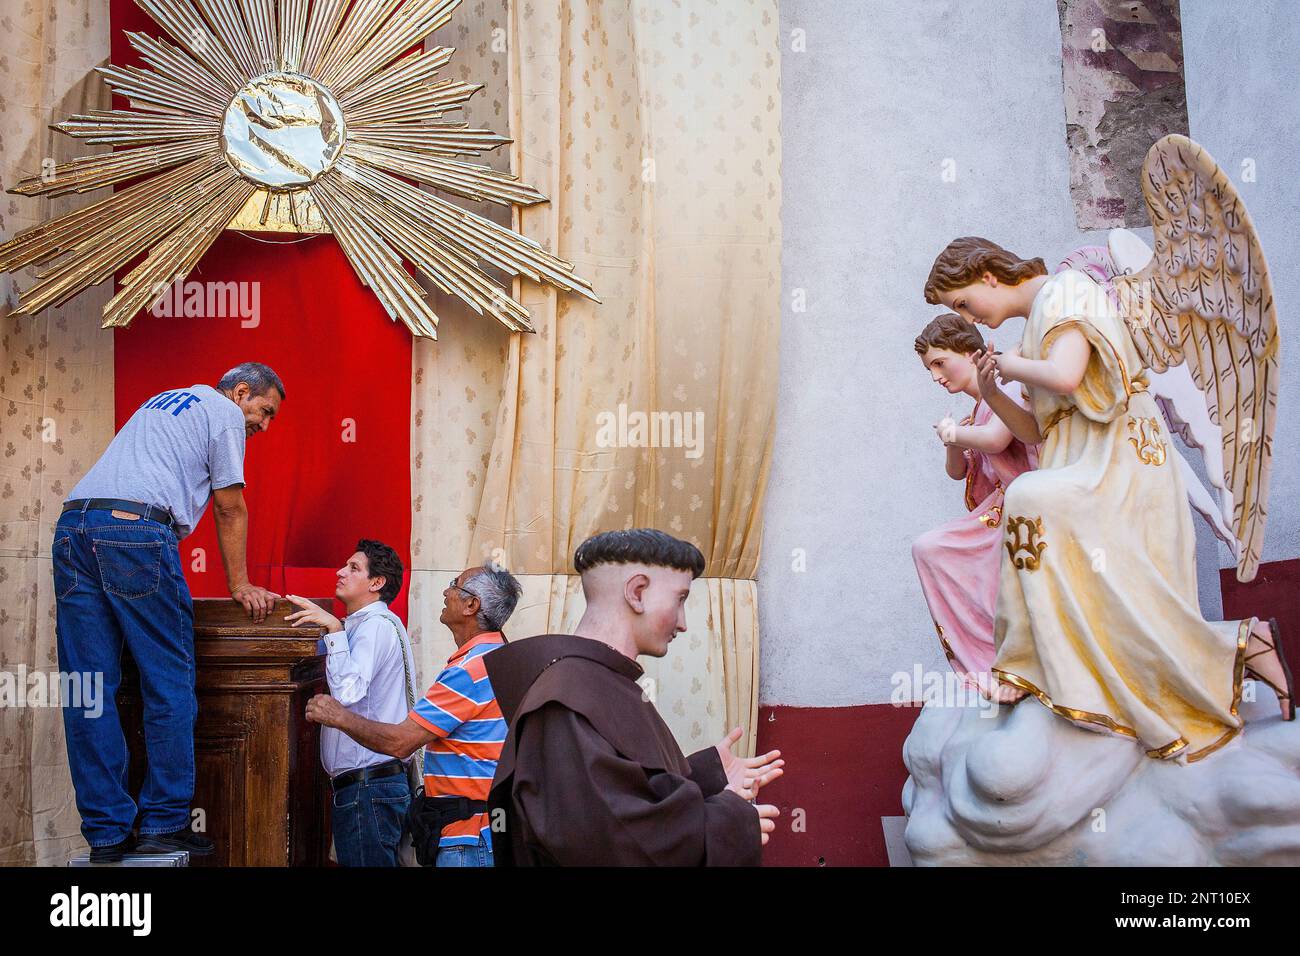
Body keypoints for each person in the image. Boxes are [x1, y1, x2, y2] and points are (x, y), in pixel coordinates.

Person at [924, 237, 1293, 763]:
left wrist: (1008, 364)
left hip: (1120, 457)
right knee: (1115, 595)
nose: (969, 318)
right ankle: (1235, 646)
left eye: (963, 303)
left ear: (987, 276)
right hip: (1075, 456)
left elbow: (1068, 376)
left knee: (1030, 499)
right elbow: (1033, 428)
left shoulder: (1068, 291)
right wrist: (996, 389)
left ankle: (1030, 662)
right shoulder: (1032, 326)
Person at [54, 362, 284, 862]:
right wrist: (240, 584)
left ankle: (107, 834)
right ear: (241, 391)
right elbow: (230, 506)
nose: (264, 426)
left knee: (87, 688)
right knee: (168, 683)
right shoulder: (222, 411)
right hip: (134, 532)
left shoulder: (164, 398)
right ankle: (163, 822)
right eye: (264, 411)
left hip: (73, 527)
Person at [485, 528, 784, 866]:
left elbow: (620, 796)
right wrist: (726, 822)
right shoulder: (564, 700)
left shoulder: (597, 682)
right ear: (637, 592)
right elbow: (608, 842)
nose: (683, 623)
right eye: (681, 599)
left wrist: (707, 775)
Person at [304, 564, 523, 867]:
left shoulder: (470, 670)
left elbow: (401, 742)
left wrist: (338, 715)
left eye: (454, 585)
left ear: (472, 605)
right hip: (482, 829)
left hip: (469, 837)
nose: (446, 592)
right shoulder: (500, 655)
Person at [912, 313, 1037, 700]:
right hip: (999, 510)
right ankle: (988, 659)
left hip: (1024, 505)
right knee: (930, 549)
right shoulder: (973, 413)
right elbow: (957, 472)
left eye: (939, 362)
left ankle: (1004, 661)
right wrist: (952, 441)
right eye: (930, 368)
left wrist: (957, 433)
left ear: (969, 353)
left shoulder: (1004, 389)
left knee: (935, 549)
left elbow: (997, 440)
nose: (936, 376)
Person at [285, 540, 415, 867]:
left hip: (368, 786)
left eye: (354, 568)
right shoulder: (367, 626)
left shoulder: (373, 627)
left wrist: (333, 627)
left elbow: (345, 694)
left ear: (377, 583)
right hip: (368, 787)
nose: (341, 572)